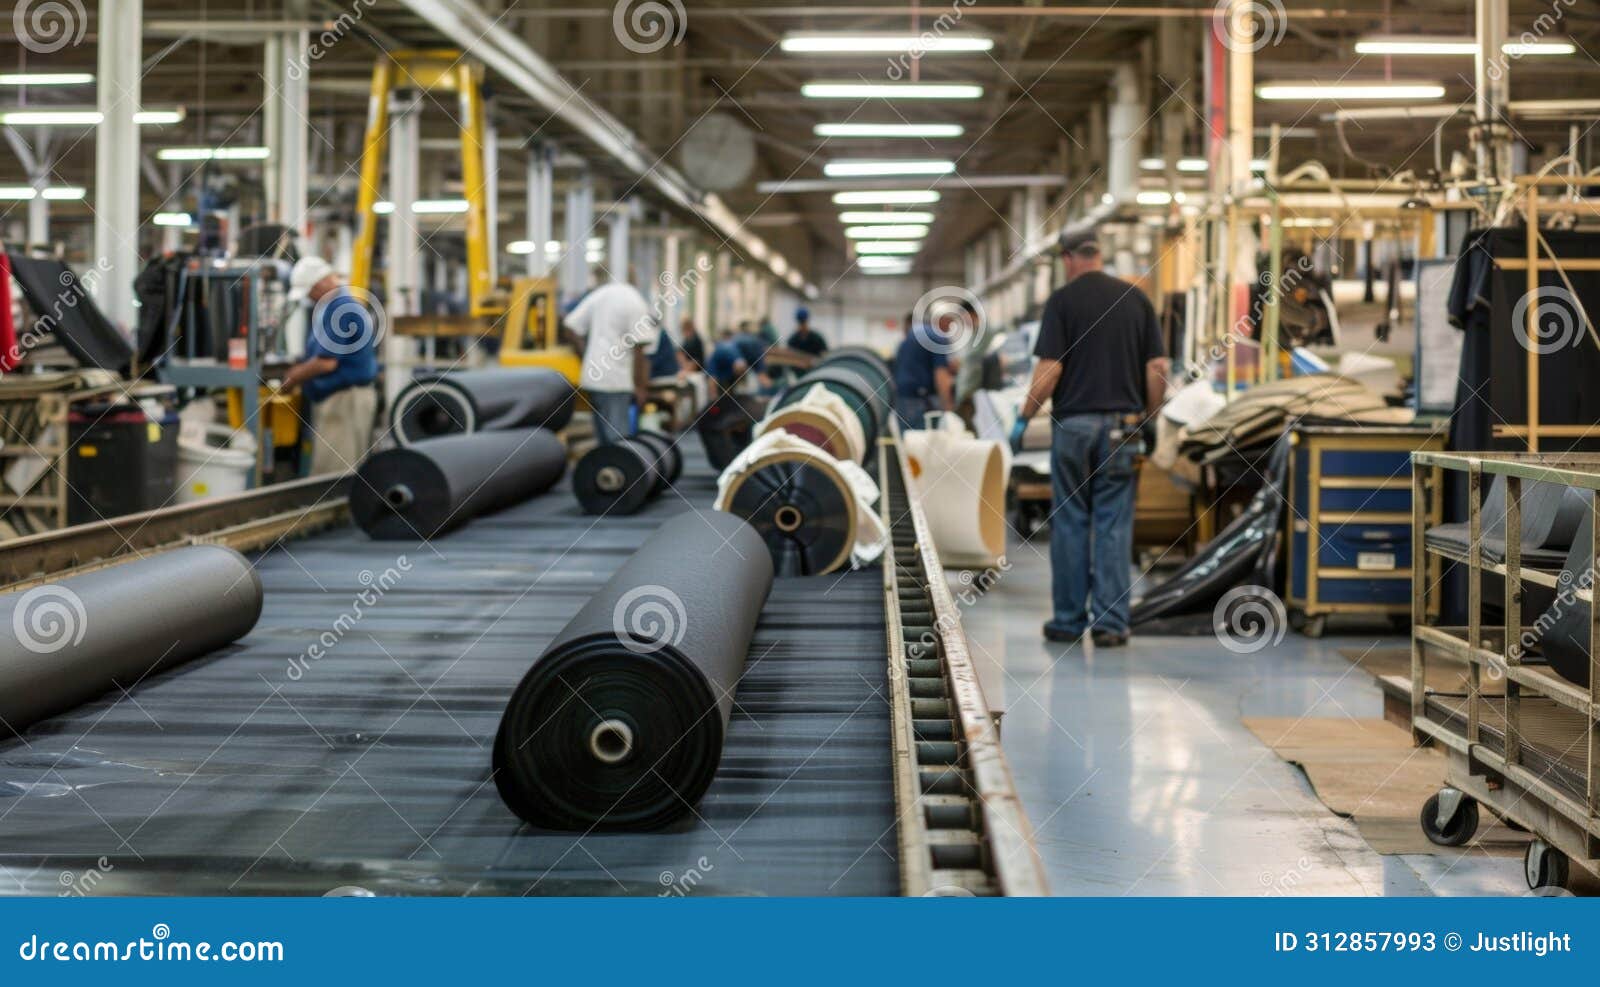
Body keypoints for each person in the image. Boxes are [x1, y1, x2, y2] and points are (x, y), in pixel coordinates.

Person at [1011, 229, 1169, 648]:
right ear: (1098, 253)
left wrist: (1024, 418)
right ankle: (1110, 624)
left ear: (1067, 258)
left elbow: (1050, 370)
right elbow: (1158, 368)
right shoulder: (1136, 299)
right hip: (1122, 429)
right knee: (1113, 525)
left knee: (1070, 522)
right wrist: (1150, 418)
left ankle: (1067, 621)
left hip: (1074, 429)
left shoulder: (1062, 302)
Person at [280, 256, 378, 476]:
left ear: (323, 282)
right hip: (340, 398)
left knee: (335, 474)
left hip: (345, 400)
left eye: (311, 291)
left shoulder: (340, 307)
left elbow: (326, 363)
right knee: (338, 469)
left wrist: (293, 377)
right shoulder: (331, 306)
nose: (310, 297)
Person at [566, 279, 656, 445]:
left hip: (595, 378)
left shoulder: (599, 295)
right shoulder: (634, 300)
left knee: (603, 441)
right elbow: (640, 348)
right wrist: (641, 387)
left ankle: (607, 461)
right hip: (617, 381)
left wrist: (586, 356)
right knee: (618, 441)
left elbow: (570, 326)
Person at [893, 311, 954, 429]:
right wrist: (948, 408)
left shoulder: (914, 333)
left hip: (902, 398)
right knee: (925, 437)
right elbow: (941, 375)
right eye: (949, 323)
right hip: (921, 401)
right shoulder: (938, 338)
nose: (950, 328)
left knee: (909, 437)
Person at [704, 328, 770, 396]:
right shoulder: (722, 351)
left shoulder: (726, 349)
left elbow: (740, 365)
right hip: (728, 374)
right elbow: (712, 382)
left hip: (739, 363)